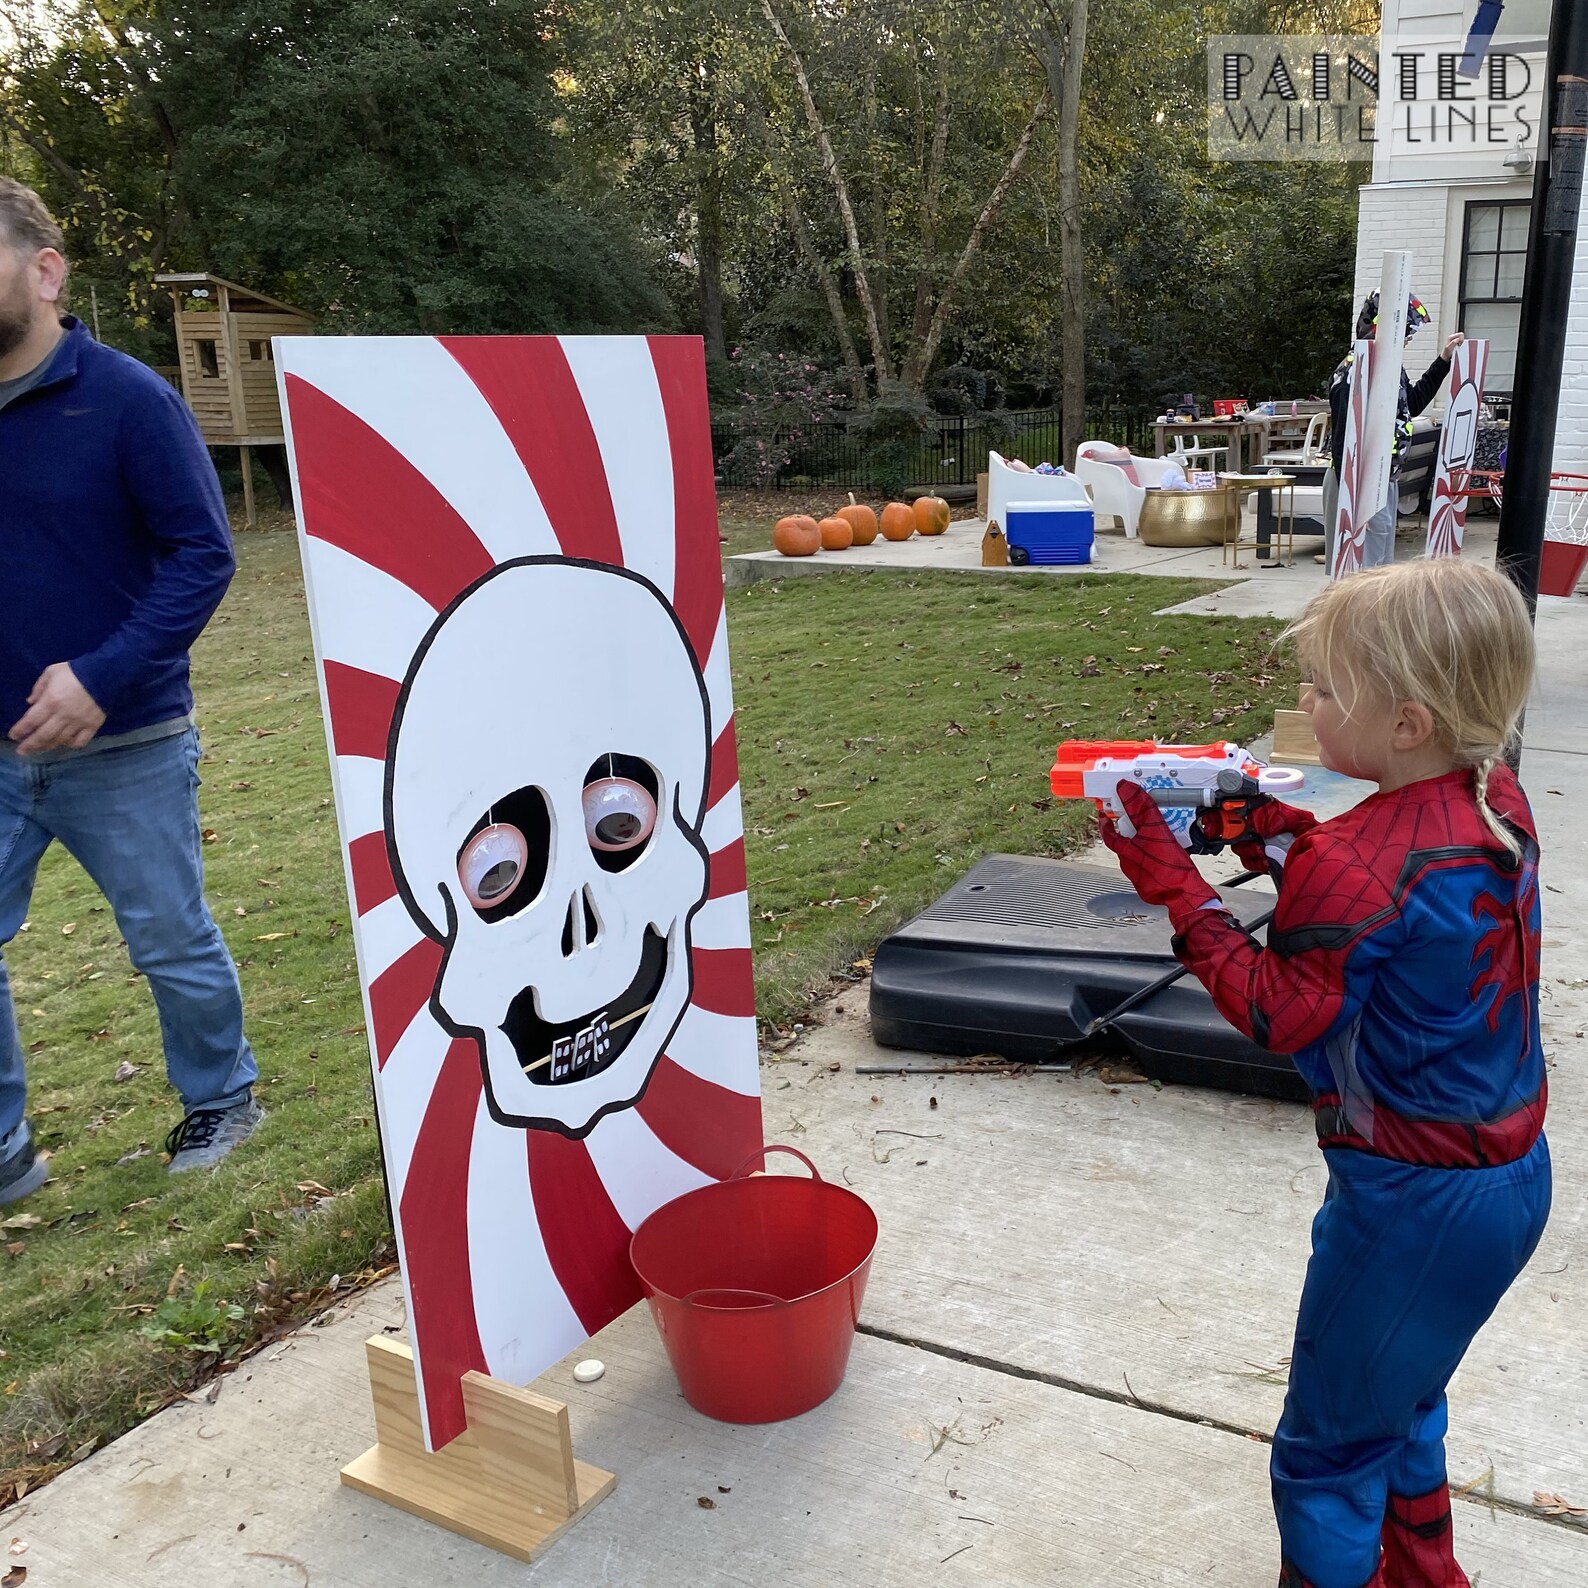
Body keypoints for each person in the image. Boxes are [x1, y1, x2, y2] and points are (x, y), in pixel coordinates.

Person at [1101, 558, 1549, 1588]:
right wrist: (1277, 837)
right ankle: (1424, 1572)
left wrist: (1179, 888)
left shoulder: (1348, 862)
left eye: (1322, 687)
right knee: (1403, 1395)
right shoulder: (1496, 793)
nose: (1303, 702)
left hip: (1410, 1198)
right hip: (1510, 1178)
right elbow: (1395, 914)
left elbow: (1275, 1008)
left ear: (1404, 722)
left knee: (1323, 1455)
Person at [0, 178, 261, 1207]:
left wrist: (102, 675)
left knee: (168, 935)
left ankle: (223, 1096)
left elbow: (203, 555)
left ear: (45, 270)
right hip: (0, 753)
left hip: (128, 745)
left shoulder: (128, 399)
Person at [1322, 292, 1463, 570]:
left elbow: (1410, 404)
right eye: (1406, 334)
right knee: (1357, 568)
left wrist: (1443, 360)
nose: (1408, 341)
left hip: (1380, 475)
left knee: (1378, 565)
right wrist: (1353, 491)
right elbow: (1343, 435)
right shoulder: (1354, 372)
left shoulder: (1388, 368)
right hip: (1356, 478)